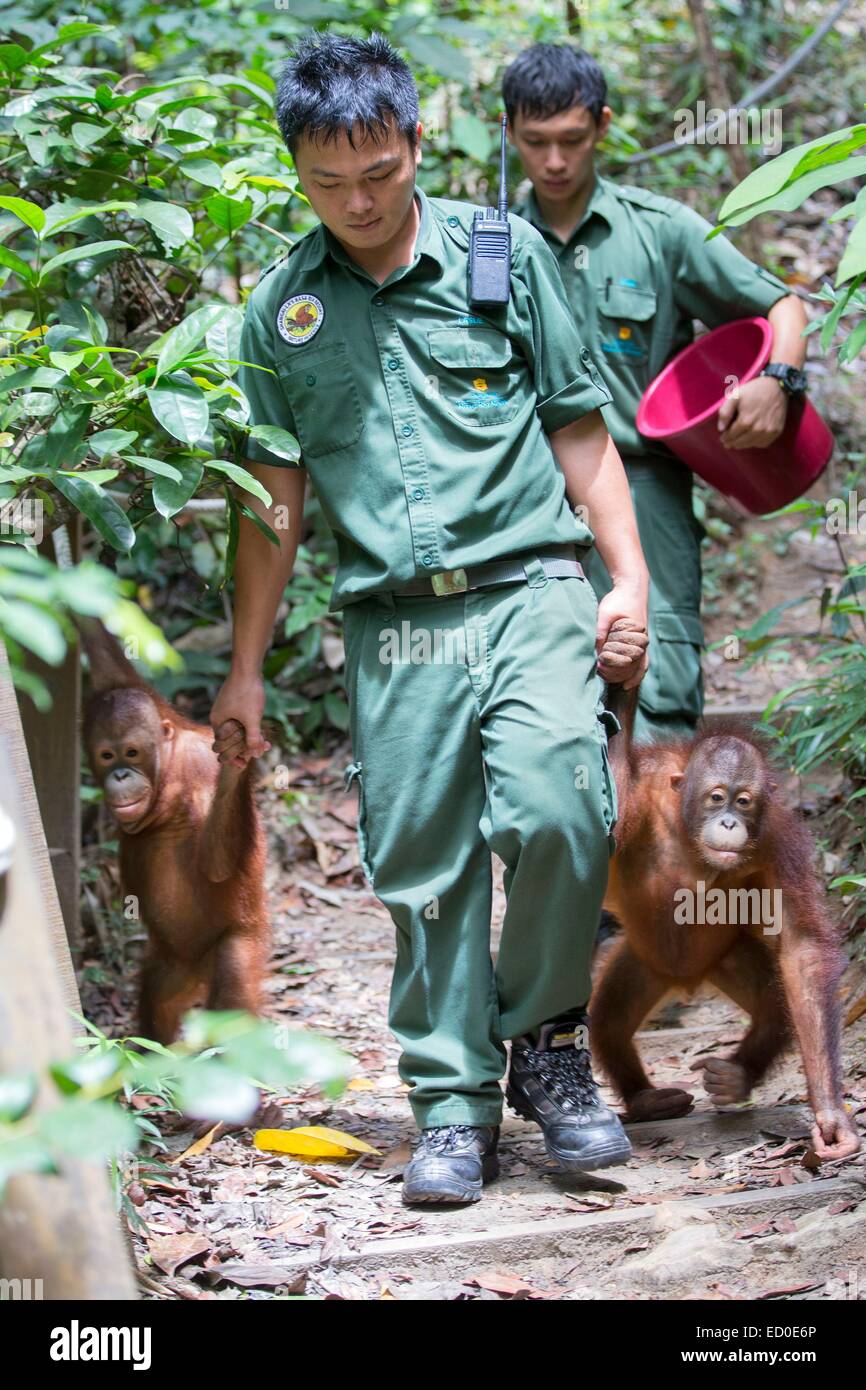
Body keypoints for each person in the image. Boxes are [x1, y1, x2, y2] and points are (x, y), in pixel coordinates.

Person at [210, 31, 650, 1207]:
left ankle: (547, 1047)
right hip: (394, 623)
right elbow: (273, 502)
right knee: (425, 870)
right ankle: (450, 1104)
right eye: (325, 182)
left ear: (416, 140)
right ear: (297, 171)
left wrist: (627, 580)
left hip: (529, 586)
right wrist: (244, 672)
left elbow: (577, 431)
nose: (354, 202)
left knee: (559, 807)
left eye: (377, 173)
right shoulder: (282, 312)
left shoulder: (498, 258)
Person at [503, 43, 809, 744]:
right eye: (537, 142)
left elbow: (780, 306)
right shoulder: (484, 245)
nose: (555, 162)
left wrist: (778, 379)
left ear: (603, 126)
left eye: (572, 141)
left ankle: (665, 847)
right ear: (508, 133)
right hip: (523, 495)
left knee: (661, 693)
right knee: (543, 706)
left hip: (644, 487)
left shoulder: (659, 230)